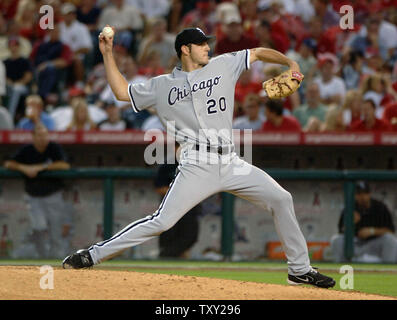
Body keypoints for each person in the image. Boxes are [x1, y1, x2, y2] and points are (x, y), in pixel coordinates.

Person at [63, 26, 335, 289]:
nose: (208, 47)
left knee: (281, 198)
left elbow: (259, 52)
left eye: (208, 43)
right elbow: (122, 92)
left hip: (231, 161)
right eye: (202, 43)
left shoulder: (223, 64)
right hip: (196, 165)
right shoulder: (161, 86)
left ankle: (299, 270)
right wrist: (108, 54)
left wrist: (291, 63)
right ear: (185, 49)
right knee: (162, 221)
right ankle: (93, 255)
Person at [4, 123, 72, 258]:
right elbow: (9, 163)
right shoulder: (27, 150)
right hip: (33, 196)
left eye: (45, 135)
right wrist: (25, 168)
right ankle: (42, 258)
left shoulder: (53, 147)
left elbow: (64, 165)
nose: (43, 138)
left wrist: (40, 168)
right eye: (39, 135)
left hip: (53, 195)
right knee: (38, 228)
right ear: (33, 136)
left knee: (56, 231)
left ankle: (58, 259)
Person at [330, 181, 397, 263]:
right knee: (336, 240)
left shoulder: (380, 207)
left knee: (390, 240)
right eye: (359, 194)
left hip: (375, 246)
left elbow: (390, 231)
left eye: (365, 193)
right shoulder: (349, 208)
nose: (362, 197)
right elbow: (341, 232)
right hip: (355, 246)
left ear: (369, 194)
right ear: (355, 195)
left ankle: (388, 269)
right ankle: (344, 267)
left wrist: (372, 231)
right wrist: (351, 223)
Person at [154, 162, 200, 259]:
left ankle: (169, 256)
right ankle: (165, 256)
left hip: (189, 205)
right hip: (171, 205)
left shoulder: (196, 164)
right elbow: (159, 187)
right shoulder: (168, 165)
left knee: (189, 236)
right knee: (168, 234)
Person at [4, 36, 33, 121]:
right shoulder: (5, 62)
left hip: (22, 87)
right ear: (8, 47)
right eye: (11, 45)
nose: (14, 47)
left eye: (16, 45)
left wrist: (18, 83)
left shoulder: (25, 61)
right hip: (8, 86)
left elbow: (28, 77)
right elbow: (3, 77)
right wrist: (8, 82)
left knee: (16, 89)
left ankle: (10, 118)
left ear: (19, 46)